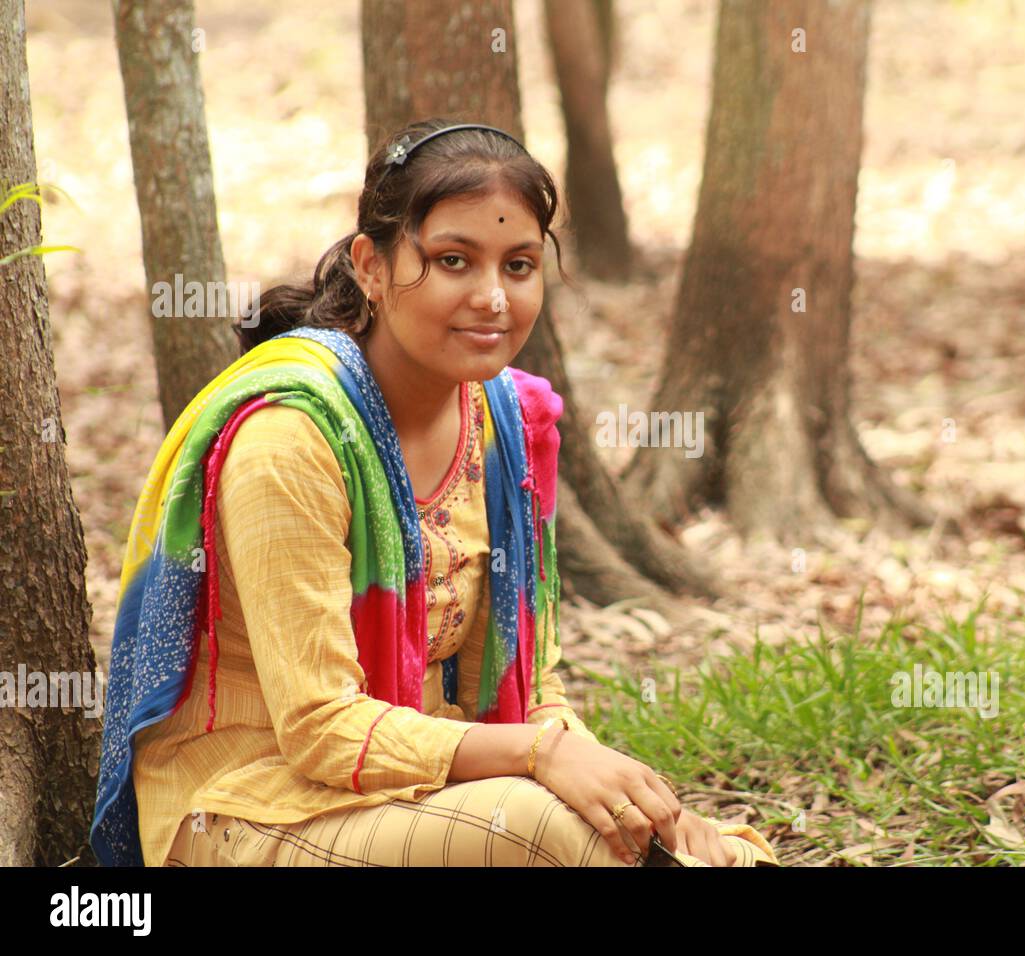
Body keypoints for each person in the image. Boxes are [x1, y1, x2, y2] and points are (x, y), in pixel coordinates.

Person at [90, 118, 780, 868]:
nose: (492, 297)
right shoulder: (292, 440)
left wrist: (636, 802)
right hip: (246, 804)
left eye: (518, 266)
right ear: (371, 267)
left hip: (406, 788)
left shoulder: (505, 421)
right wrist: (542, 757)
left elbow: (526, 684)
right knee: (553, 834)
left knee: (713, 852)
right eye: (454, 260)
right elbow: (322, 728)